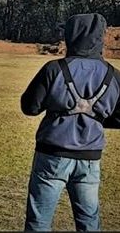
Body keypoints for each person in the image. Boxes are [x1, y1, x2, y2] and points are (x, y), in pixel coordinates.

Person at [21, 13, 120, 231]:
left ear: (71, 36)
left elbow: (29, 107)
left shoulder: (53, 69)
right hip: (90, 158)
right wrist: (95, 118)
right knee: (89, 222)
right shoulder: (114, 75)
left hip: (51, 155)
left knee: (39, 222)